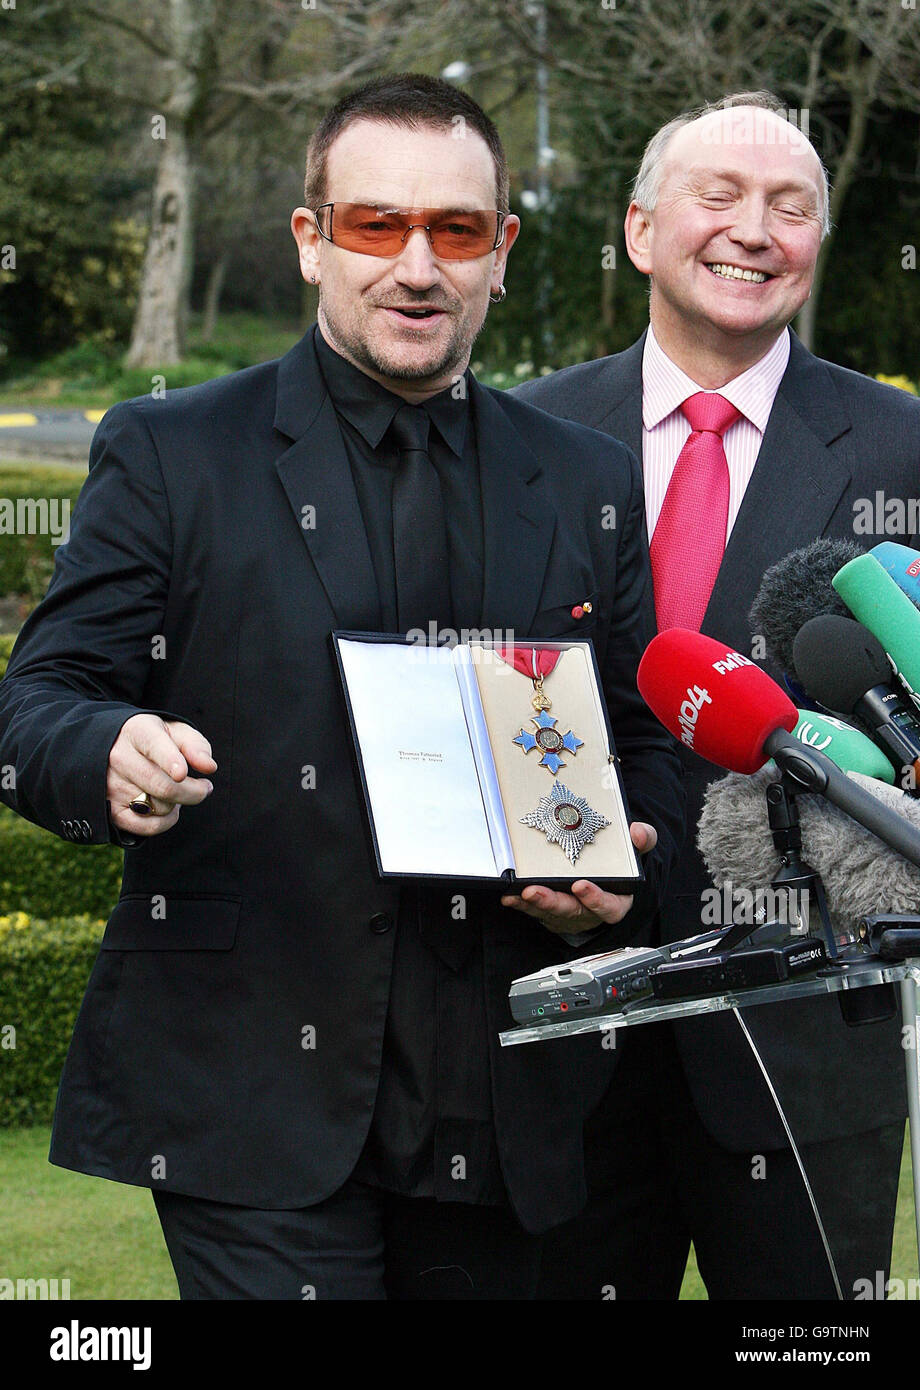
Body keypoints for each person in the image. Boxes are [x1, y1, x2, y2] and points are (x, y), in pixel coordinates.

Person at [0, 73, 683, 1300]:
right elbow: (39, 697)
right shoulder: (170, 451)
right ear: (311, 241)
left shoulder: (583, 477)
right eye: (375, 225)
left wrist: (617, 864)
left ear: (500, 252)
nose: (415, 266)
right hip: (249, 1085)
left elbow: (644, 749)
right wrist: (106, 747)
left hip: (504, 1096)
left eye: (454, 231)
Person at [513, 91, 920, 1300]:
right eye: (719, 196)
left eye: (789, 208)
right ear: (639, 230)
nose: (754, 231)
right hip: (562, 1016)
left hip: (815, 1037)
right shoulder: (517, 434)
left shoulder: (902, 449)